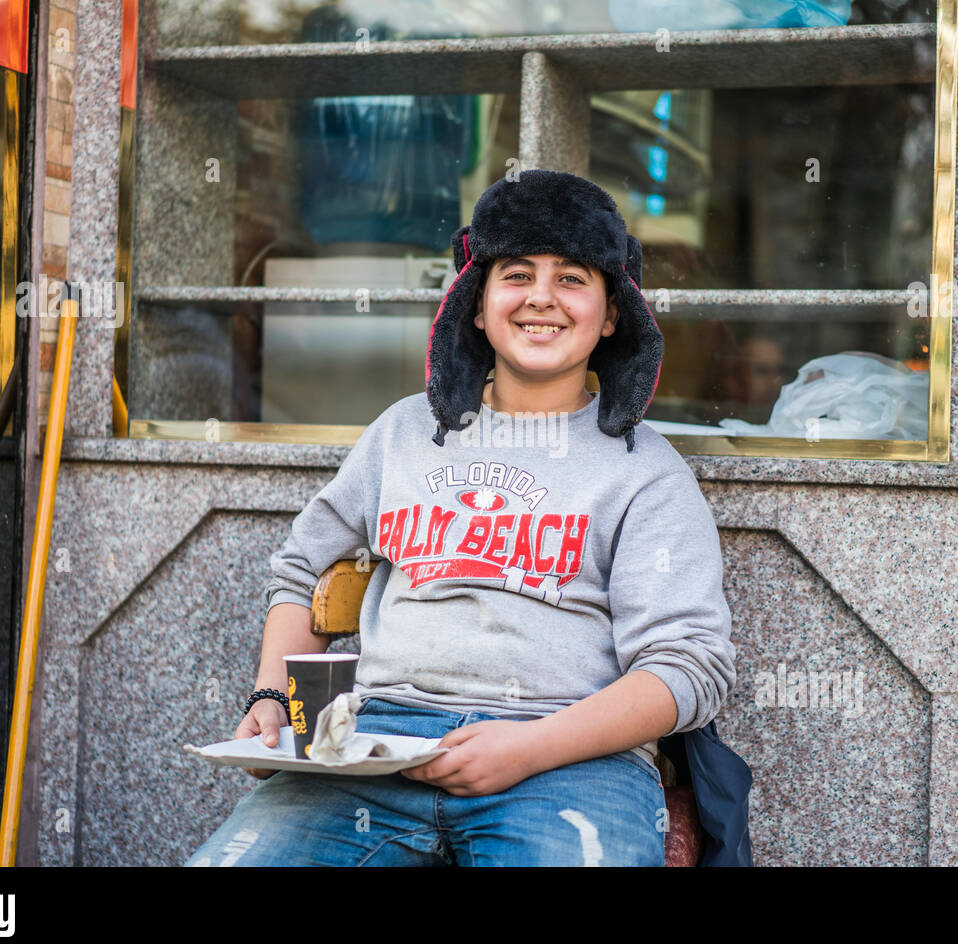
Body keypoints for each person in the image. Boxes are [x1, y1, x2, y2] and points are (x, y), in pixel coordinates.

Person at [185, 170, 736, 867]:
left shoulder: (646, 471)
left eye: (572, 278)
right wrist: (274, 698)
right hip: (376, 749)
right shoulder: (403, 434)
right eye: (516, 275)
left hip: (568, 758)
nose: (541, 297)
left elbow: (690, 668)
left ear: (612, 312)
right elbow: (301, 570)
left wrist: (528, 746)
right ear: (477, 305)